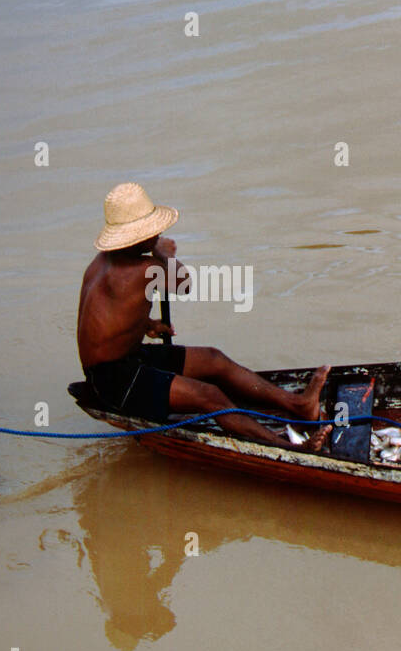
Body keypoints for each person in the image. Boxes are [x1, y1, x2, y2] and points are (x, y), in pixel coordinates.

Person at [77, 182, 331, 450]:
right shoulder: (143, 268)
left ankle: (298, 404)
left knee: (213, 359)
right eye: (152, 230)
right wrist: (165, 256)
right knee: (210, 396)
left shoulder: (101, 261)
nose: (159, 232)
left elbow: (107, 321)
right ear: (135, 237)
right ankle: (289, 448)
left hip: (122, 359)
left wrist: (147, 325)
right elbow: (184, 284)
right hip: (113, 380)